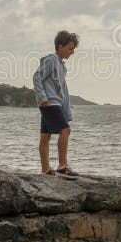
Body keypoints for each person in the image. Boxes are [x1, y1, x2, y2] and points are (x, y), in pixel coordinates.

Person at [33, 30, 79, 177]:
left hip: (54, 103)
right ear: (60, 46)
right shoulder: (51, 60)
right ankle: (62, 166)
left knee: (45, 136)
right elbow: (37, 77)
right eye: (70, 49)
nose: (72, 52)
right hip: (49, 103)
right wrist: (42, 97)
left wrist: (66, 109)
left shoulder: (61, 66)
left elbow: (62, 89)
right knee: (66, 130)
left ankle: (46, 170)